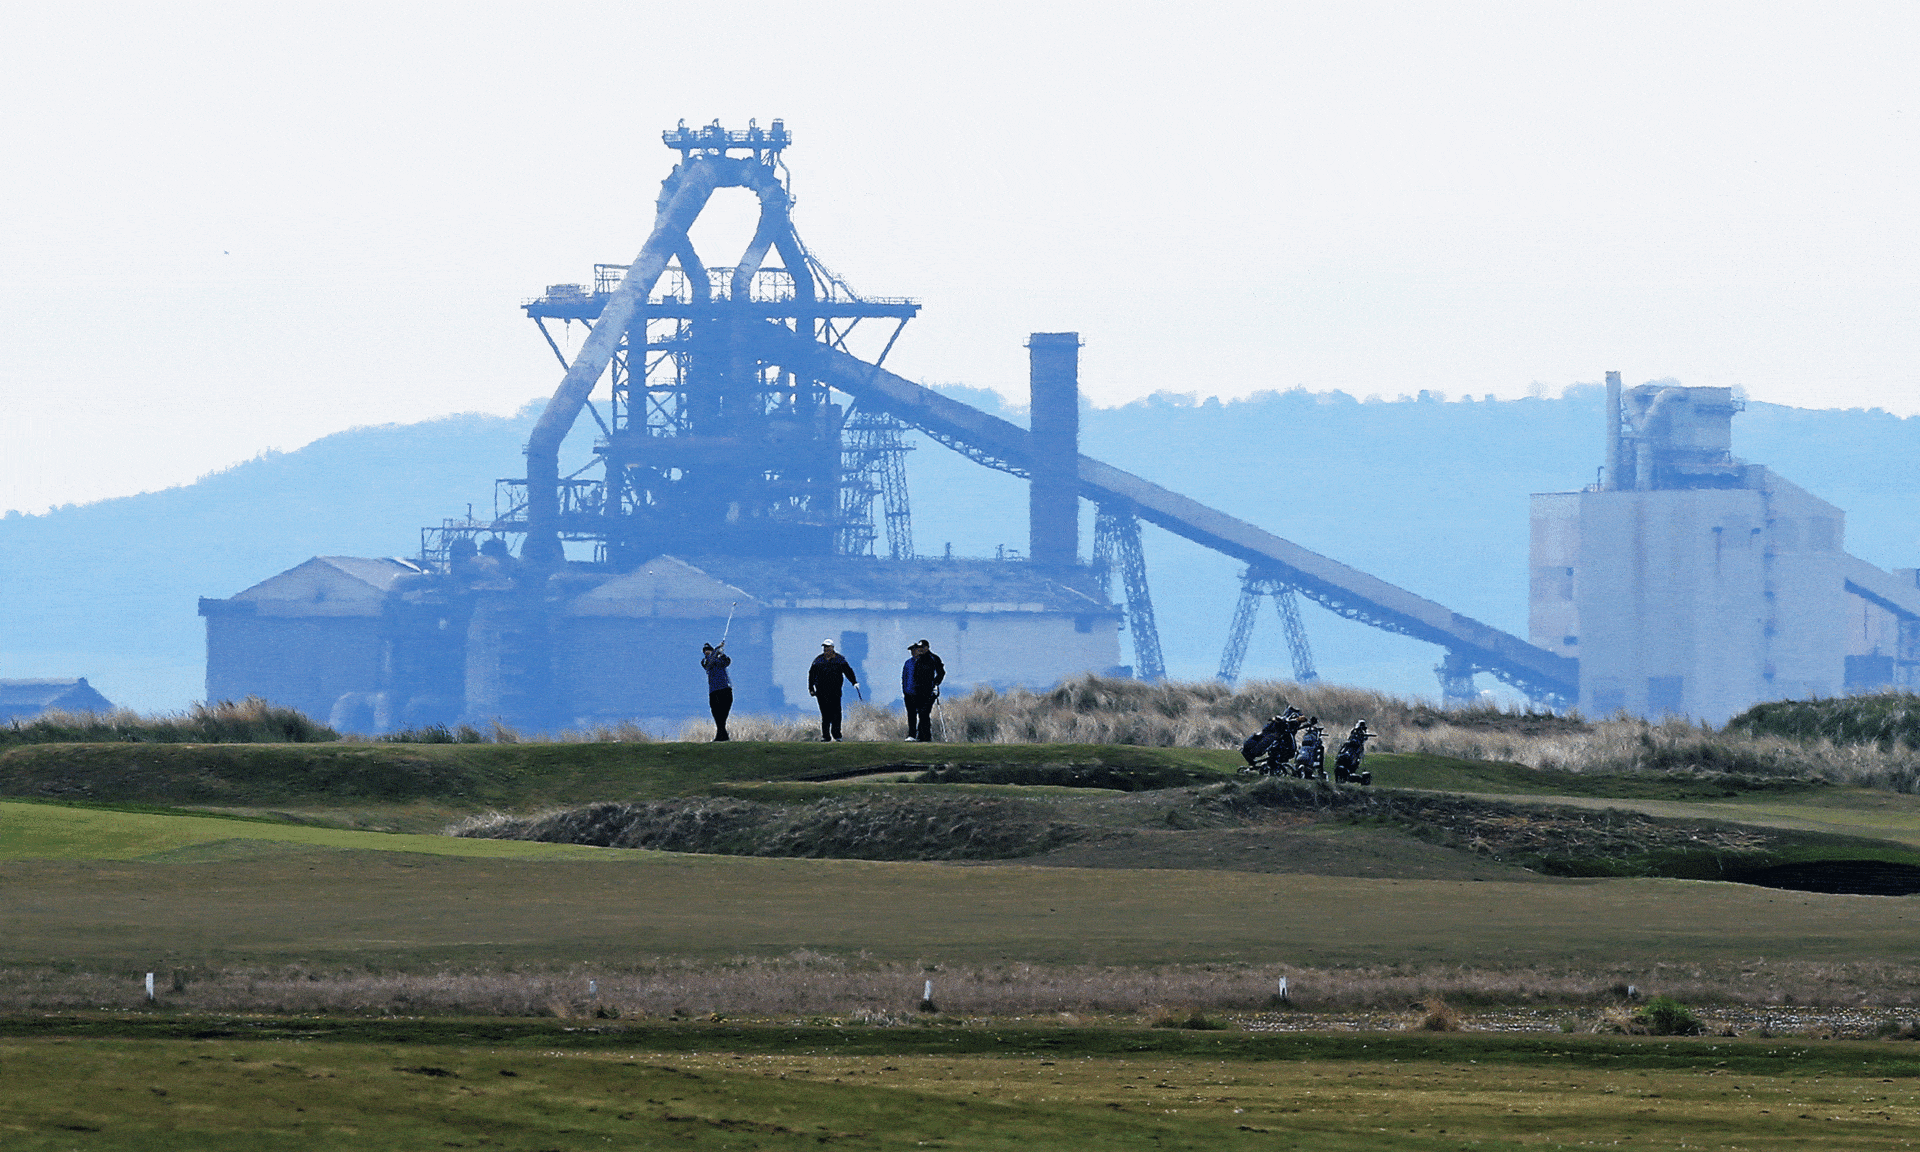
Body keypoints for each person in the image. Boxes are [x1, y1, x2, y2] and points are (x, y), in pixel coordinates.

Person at [807, 638, 859, 741]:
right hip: (821, 692)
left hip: (835, 691)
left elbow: (848, 671)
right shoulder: (818, 660)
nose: (826, 649)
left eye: (828, 647)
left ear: (832, 648)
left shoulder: (840, 660)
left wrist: (854, 682)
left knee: (836, 713)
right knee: (825, 714)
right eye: (824, 647)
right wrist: (811, 688)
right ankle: (826, 736)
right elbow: (811, 674)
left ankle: (837, 735)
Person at [900, 639, 946, 742]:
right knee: (919, 714)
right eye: (919, 648)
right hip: (917, 692)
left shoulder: (933, 658)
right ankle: (920, 736)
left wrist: (936, 684)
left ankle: (925, 736)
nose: (920, 650)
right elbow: (909, 677)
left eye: (922, 647)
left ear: (927, 647)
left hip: (929, 691)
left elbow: (940, 673)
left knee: (924, 714)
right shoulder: (918, 660)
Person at [700, 642, 732, 741]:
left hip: (725, 689)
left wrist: (721, 653)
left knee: (723, 715)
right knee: (717, 715)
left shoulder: (719, 659)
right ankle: (722, 736)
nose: (707, 652)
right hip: (714, 692)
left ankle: (721, 736)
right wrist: (717, 649)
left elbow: (727, 662)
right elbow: (708, 664)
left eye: (708, 650)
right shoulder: (705, 661)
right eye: (705, 651)